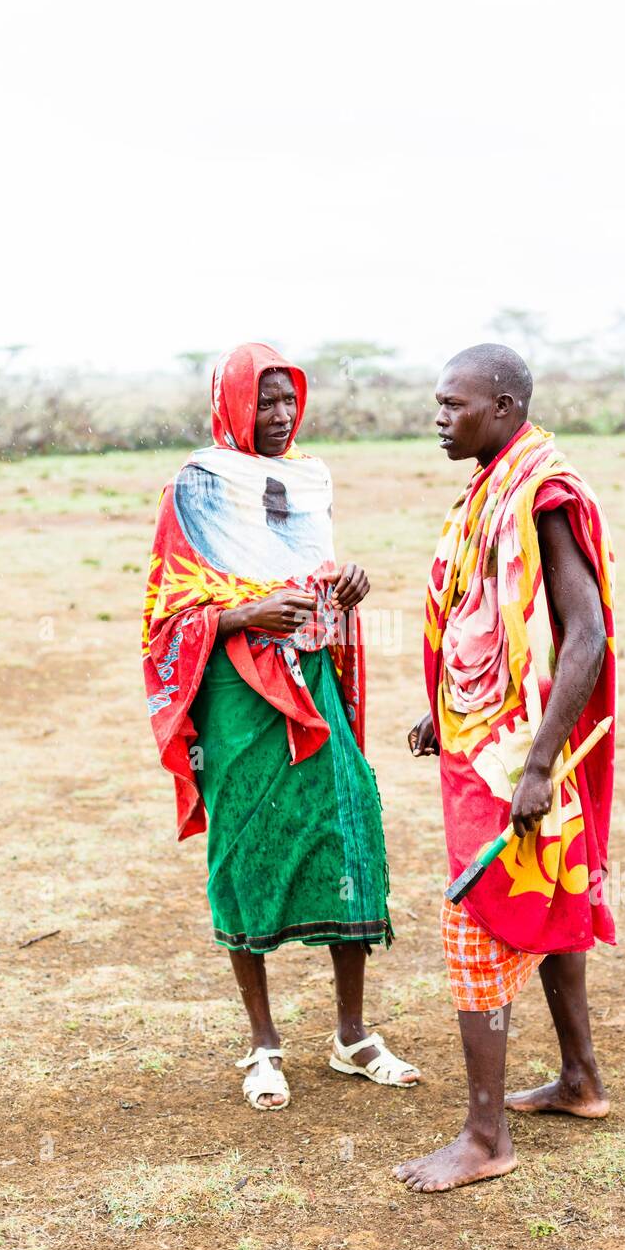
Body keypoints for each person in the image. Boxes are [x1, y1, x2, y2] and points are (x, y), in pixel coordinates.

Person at [143, 342, 419, 1111]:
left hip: (311, 677)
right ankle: (263, 1043)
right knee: (245, 843)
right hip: (234, 691)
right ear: (234, 403)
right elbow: (165, 613)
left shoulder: (311, 477)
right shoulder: (195, 488)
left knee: (346, 826)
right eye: (264, 401)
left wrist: (346, 585)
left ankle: (352, 1034)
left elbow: (312, 574)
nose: (280, 414)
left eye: (289, 398)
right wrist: (244, 613)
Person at [394, 343, 616, 1192]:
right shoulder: (495, 483)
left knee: (478, 919)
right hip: (492, 734)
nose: (440, 417)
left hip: (516, 755)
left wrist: (538, 764)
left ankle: (485, 1139)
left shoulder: (542, 494)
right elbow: (496, 620)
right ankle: (581, 1080)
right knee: (551, 903)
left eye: (455, 404)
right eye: (438, 402)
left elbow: (585, 634)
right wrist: (444, 706)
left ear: (506, 408)